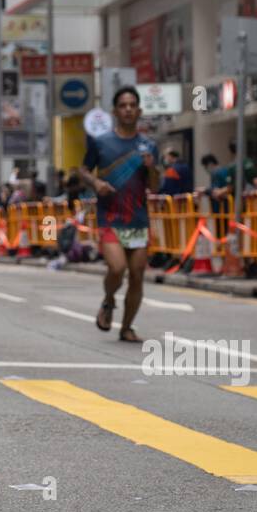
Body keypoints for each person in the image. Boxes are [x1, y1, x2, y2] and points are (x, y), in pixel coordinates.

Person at [78, 86, 159, 343]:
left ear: (139, 110)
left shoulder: (148, 146)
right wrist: (96, 183)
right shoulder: (101, 143)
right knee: (117, 268)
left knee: (136, 274)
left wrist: (152, 167)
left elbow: (155, 186)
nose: (128, 109)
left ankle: (126, 327)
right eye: (123, 105)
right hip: (110, 218)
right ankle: (109, 299)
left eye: (132, 105)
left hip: (138, 219)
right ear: (115, 111)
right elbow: (81, 170)